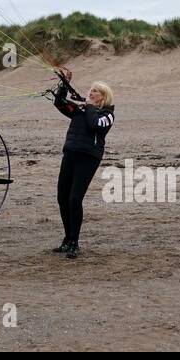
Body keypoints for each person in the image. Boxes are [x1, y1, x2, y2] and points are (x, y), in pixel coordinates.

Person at [50, 67, 115, 258]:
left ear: (103, 97)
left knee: (74, 198)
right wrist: (64, 84)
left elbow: (94, 125)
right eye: (91, 89)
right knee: (62, 197)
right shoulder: (81, 109)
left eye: (95, 91)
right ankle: (67, 239)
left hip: (88, 157)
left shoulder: (107, 115)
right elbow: (60, 104)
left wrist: (89, 106)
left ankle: (74, 242)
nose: (91, 92)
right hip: (70, 153)